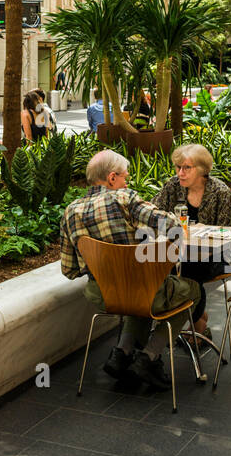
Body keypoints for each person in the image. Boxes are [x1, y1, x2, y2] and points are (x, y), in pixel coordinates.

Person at [60, 150, 199, 391]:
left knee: (137, 293)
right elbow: (172, 224)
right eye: (125, 177)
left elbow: (69, 270)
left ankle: (121, 353)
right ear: (112, 178)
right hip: (141, 291)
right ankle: (149, 356)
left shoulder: (70, 211)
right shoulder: (124, 197)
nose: (127, 182)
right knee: (194, 291)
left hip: (102, 294)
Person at [153, 143, 231, 340]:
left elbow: (228, 233)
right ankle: (199, 318)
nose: (180, 173)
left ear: (202, 170)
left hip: (217, 256)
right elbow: (153, 212)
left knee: (187, 270)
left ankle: (195, 321)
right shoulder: (172, 186)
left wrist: (200, 234)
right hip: (179, 253)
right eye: (178, 167)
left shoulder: (220, 192)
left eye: (186, 168)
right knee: (161, 268)